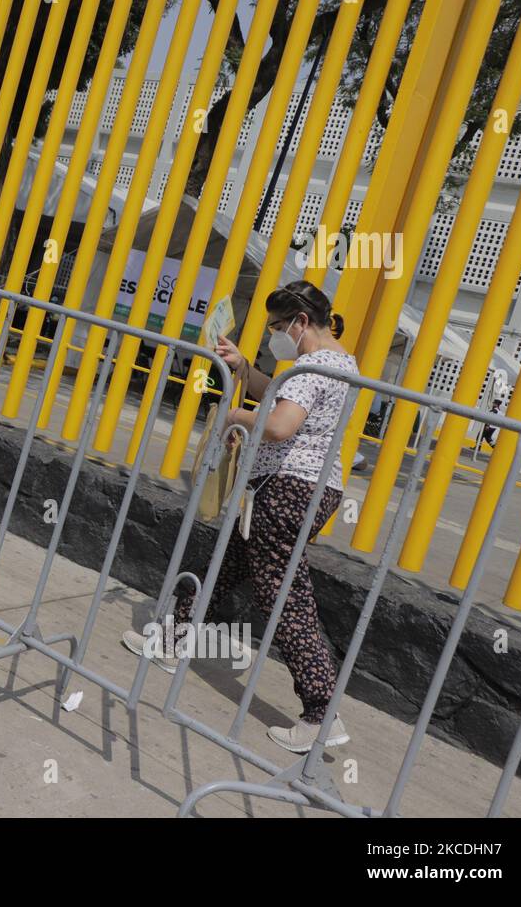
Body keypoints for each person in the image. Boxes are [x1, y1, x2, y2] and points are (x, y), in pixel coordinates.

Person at [123, 280, 359, 754]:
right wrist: (245, 369)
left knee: (285, 598)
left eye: (276, 326)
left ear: (299, 322)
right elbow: (280, 395)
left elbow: (278, 423)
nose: (275, 334)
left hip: (288, 490)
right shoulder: (339, 362)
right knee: (224, 563)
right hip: (298, 489)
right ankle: (174, 638)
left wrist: (234, 416)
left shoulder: (313, 367)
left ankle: (322, 712)